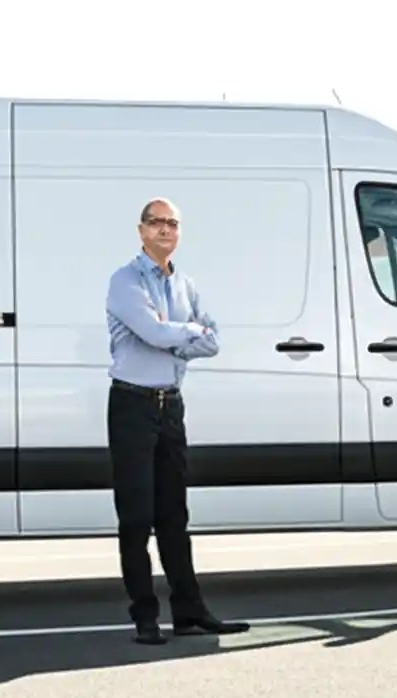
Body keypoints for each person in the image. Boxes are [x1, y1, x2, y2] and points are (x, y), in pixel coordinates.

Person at [104, 197, 251, 645]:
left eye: (173, 224)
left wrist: (177, 335)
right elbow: (154, 333)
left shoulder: (184, 283)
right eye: (157, 223)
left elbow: (215, 341)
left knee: (174, 515)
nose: (166, 230)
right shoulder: (125, 281)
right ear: (141, 230)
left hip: (171, 405)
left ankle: (189, 611)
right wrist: (187, 333)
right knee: (136, 517)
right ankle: (145, 617)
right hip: (132, 405)